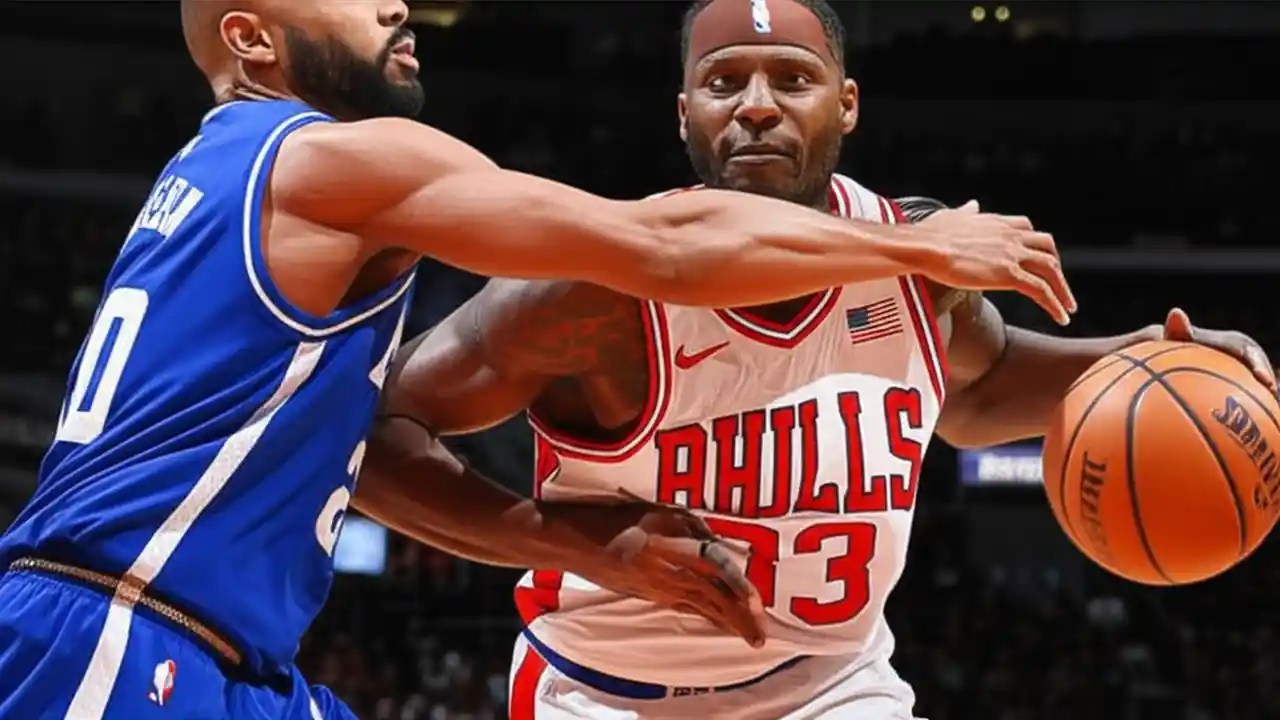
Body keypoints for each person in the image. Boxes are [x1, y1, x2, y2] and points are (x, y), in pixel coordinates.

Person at [0, 1, 1082, 719]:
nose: (396, 5)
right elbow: (663, 247)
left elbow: (979, 387)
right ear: (250, 38)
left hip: (223, 655)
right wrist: (914, 242)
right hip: (121, 632)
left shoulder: (208, 172)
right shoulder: (331, 159)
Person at [353, 0, 1276, 718]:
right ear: (685, 115)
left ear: (846, 105)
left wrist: (1140, 361)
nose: (756, 106)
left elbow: (980, 387)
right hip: (608, 692)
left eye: (791, 78)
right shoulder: (598, 291)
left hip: (838, 684)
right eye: (725, 83)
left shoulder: (921, 258)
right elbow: (370, 441)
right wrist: (575, 543)